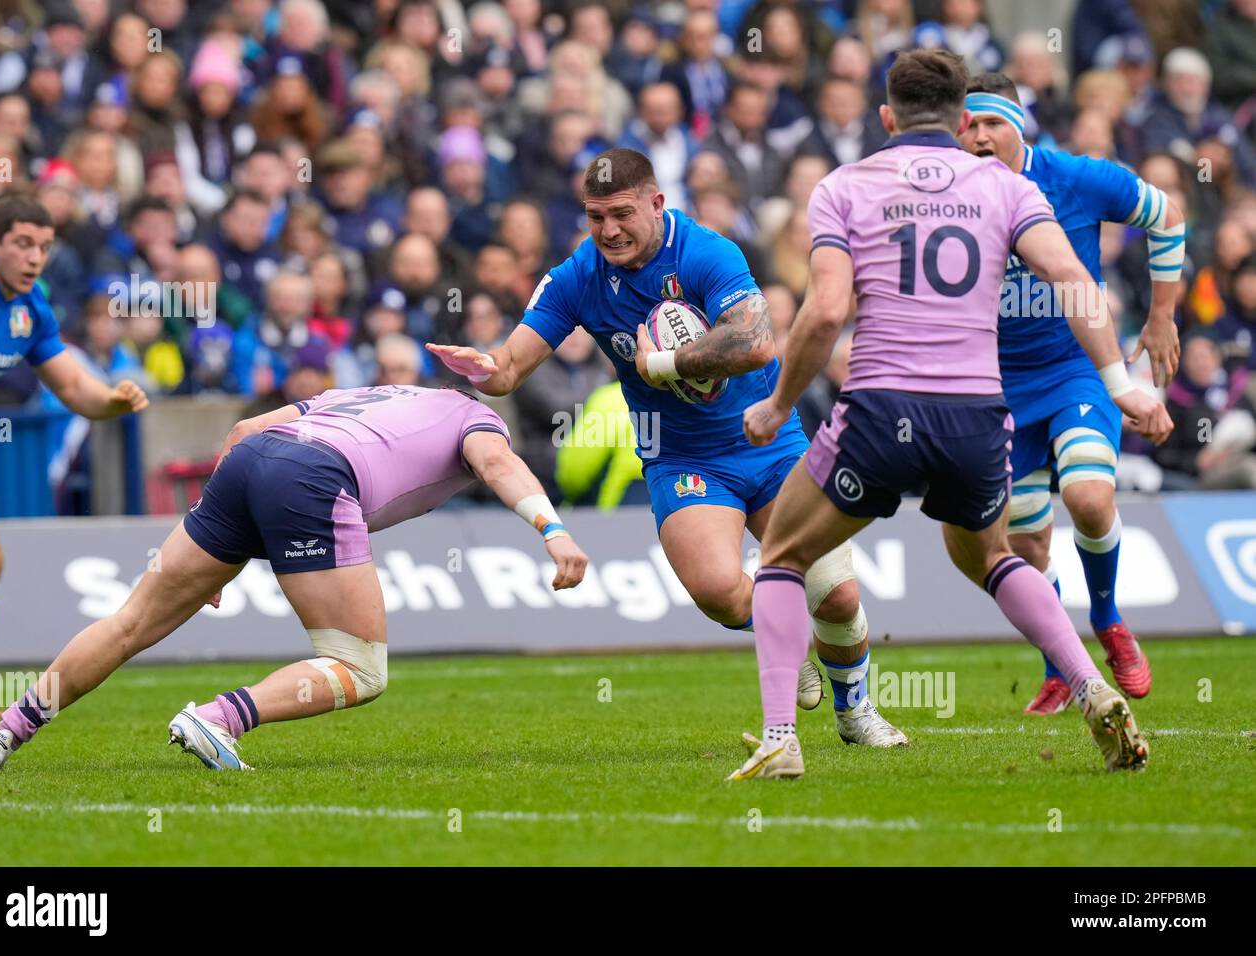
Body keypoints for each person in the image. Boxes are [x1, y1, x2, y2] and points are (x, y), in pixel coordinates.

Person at [734, 50, 1172, 779]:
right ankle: (1092, 687)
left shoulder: (846, 185)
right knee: (994, 557)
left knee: (781, 556)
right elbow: (1072, 277)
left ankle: (782, 736)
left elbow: (826, 313)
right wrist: (1118, 381)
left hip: (879, 411)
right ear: (964, 119)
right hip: (977, 417)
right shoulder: (1003, 185)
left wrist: (777, 403)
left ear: (885, 117)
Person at [428, 147, 907, 747]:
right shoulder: (579, 276)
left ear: (657, 203)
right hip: (682, 458)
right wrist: (480, 367)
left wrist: (667, 361)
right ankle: (784, 634)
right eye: (595, 217)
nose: (608, 230)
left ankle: (856, 713)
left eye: (622, 214)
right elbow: (507, 370)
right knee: (716, 590)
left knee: (836, 597)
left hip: (769, 442)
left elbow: (757, 343)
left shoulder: (709, 252)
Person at [0, 385, 588, 771]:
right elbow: (498, 463)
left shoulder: (373, 393)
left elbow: (243, 432)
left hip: (249, 464)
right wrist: (553, 532)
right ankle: (219, 718)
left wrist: (220, 543)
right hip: (316, 477)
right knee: (360, 667)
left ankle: (3, 735)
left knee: (128, 624)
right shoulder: (476, 419)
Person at [960, 73, 1184, 715]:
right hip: (995, 390)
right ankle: (1062, 663)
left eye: (993, 124)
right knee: (1026, 545)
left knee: (1087, 497)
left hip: (1074, 371)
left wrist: (1161, 317)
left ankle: (1111, 621)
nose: (979, 137)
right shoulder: (949, 197)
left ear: (1020, 126)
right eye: (969, 125)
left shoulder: (1076, 178)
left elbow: (1167, 214)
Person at [0, 195, 148, 718]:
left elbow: (72, 387)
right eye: (22, 244)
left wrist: (111, 401)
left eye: (43, 246)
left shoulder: (31, 308)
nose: (35, 257)